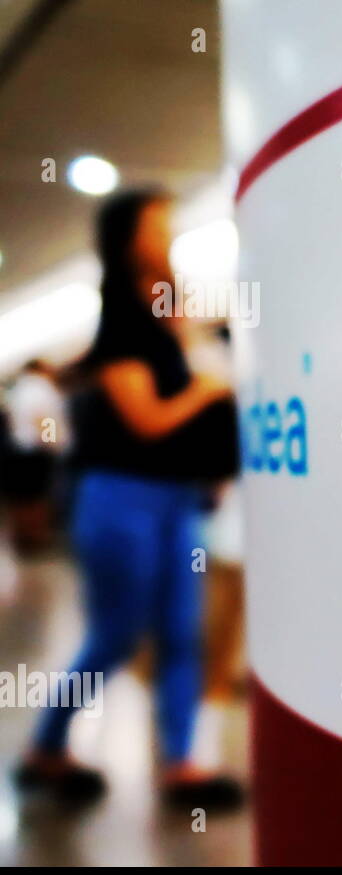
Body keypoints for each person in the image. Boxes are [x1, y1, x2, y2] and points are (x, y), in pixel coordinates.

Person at [15, 188, 242, 809]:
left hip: (176, 499)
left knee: (181, 632)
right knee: (115, 634)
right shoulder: (118, 323)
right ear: (128, 236)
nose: (168, 231)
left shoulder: (164, 319)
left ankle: (180, 763)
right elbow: (146, 420)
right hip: (119, 497)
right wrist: (206, 392)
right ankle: (47, 747)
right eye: (156, 223)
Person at [1, 360, 69, 552]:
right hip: (35, 451)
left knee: (22, 499)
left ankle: (24, 541)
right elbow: (45, 419)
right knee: (37, 498)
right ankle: (37, 541)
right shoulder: (40, 387)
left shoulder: (20, 388)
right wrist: (54, 444)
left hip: (17, 449)